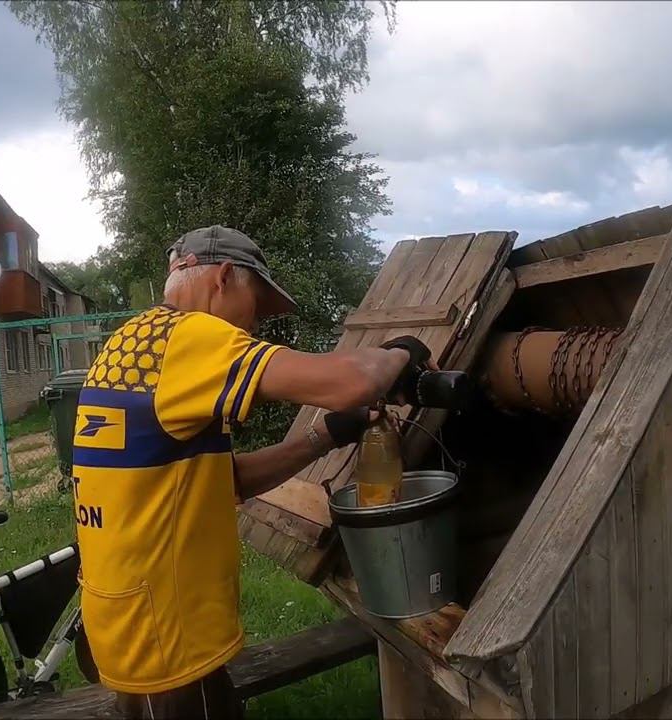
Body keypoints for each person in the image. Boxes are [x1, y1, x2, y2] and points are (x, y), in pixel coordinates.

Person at [72, 225, 430, 718]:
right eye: (256, 306)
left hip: (130, 621)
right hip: (169, 639)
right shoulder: (191, 336)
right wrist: (401, 353)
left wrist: (326, 434)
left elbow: (222, 483)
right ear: (223, 278)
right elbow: (353, 381)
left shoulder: (131, 344)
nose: (255, 325)